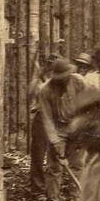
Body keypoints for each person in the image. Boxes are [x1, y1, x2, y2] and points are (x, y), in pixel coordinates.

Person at [37, 58, 86, 201]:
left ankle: (75, 197)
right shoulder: (45, 90)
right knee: (54, 165)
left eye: (66, 77)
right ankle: (53, 199)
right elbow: (47, 118)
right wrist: (55, 141)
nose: (64, 80)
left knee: (77, 164)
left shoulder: (78, 81)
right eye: (61, 78)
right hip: (58, 127)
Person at [29, 52, 56, 191]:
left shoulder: (61, 81)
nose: (51, 67)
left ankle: (53, 188)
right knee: (38, 152)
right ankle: (37, 185)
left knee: (57, 154)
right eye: (49, 64)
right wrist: (38, 76)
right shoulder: (39, 81)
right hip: (41, 117)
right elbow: (31, 93)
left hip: (57, 118)